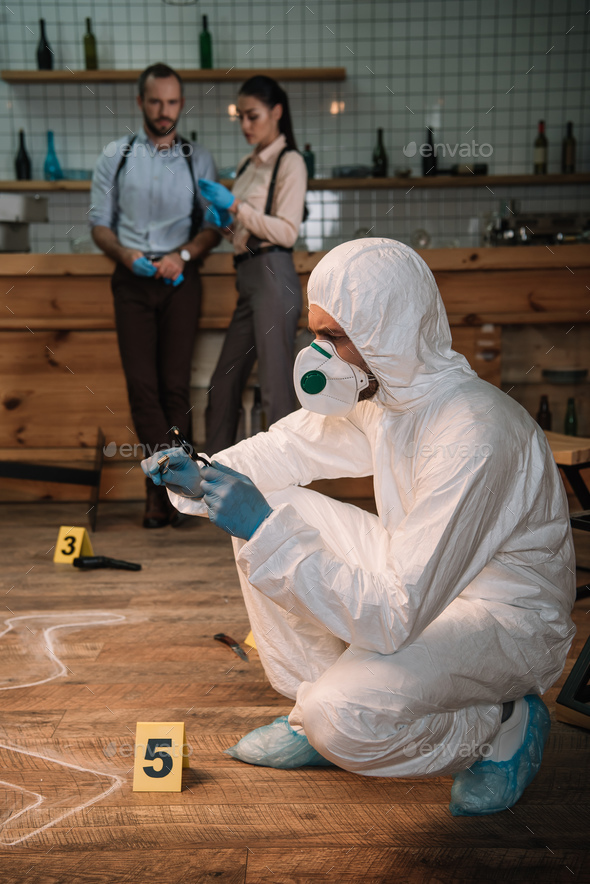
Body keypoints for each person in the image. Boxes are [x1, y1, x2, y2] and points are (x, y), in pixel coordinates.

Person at [142, 238, 576, 815]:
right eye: (315, 334)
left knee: (342, 717)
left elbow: (394, 612)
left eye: (335, 337)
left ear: (388, 331)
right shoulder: (389, 397)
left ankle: (501, 723)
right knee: (269, 506)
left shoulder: (473, 433)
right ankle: (310, 708)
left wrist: (266, 529)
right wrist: (202, 475)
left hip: (505, 620)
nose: (319, 354)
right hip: (423, 578)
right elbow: (289, 448)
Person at [90, 62, 222, 528]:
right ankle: (164, 491)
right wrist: (125, 255)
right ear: (140, 102)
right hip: (131, 280)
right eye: (155, 102)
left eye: (172, 102)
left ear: (181, 104)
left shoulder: (198, 159)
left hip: (180, 280)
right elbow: (100, 226)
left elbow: (213, 227)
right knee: (143, 388)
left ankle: (176, 494)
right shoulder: (115, 157)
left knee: (175, 387)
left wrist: (183, 255)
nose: (164, 111)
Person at [197, 75, 308, 455]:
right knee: (223, 384)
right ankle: (215, 476)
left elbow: (287, 232)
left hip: (274, 276)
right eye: (240, 117)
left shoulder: (291, 162)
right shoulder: (247, 165)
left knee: (277, 391)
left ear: (276, 112)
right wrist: (222, 222)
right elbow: (242, 228)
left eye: (253, 116)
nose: (245, 124)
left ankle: (287, 486)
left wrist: (235, 205)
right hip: (247, 280)